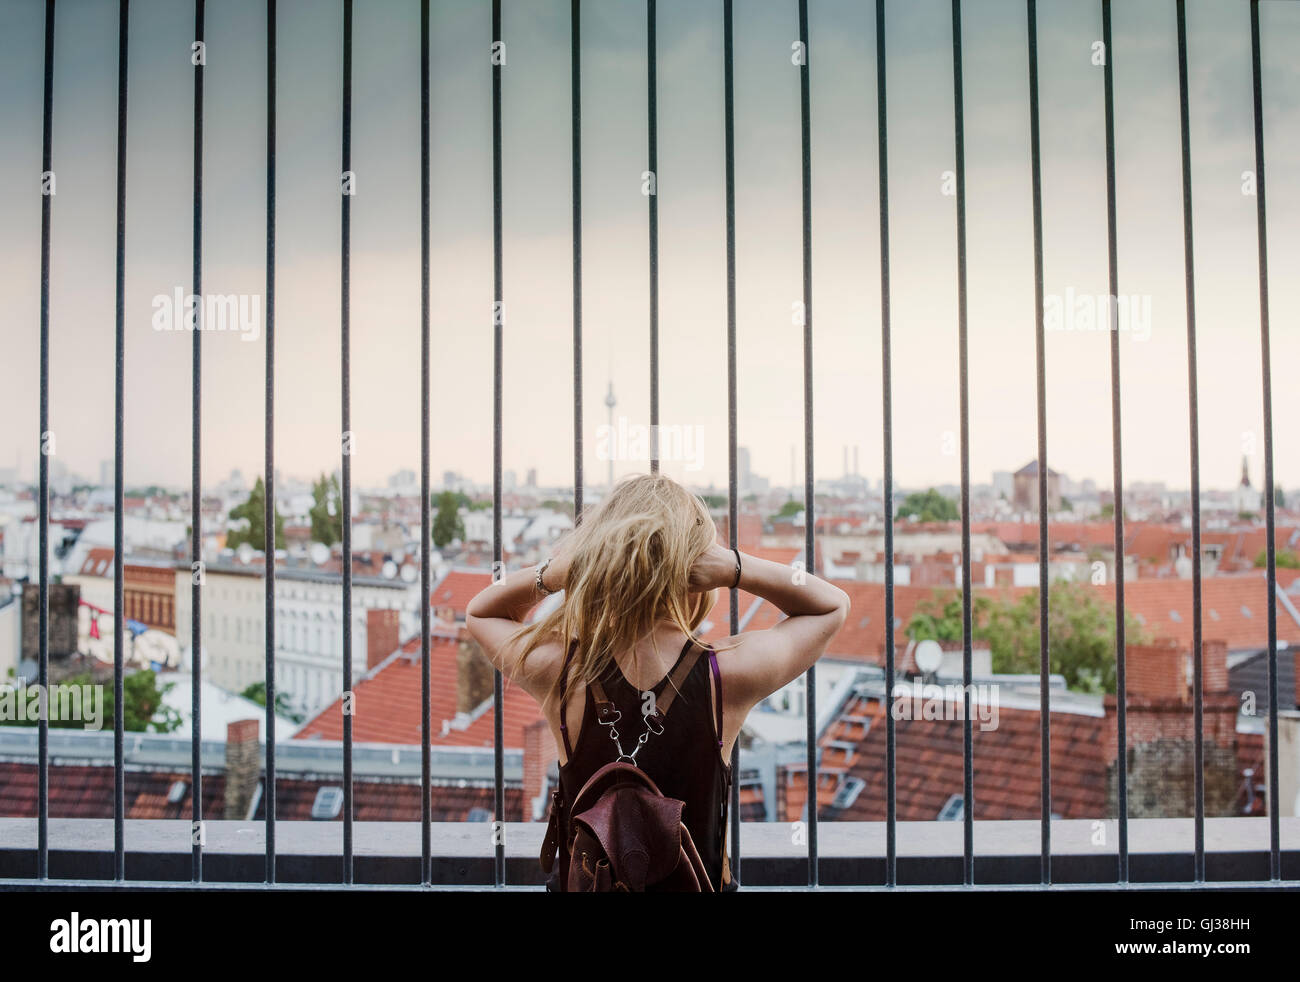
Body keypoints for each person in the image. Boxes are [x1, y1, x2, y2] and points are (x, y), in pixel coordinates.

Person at [465, 472, 850, 891]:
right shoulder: (728, 675)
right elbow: (831, 607)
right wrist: (735, 567)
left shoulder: (562, 670)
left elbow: (481, 613)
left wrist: (558, 573)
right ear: (697, 569)